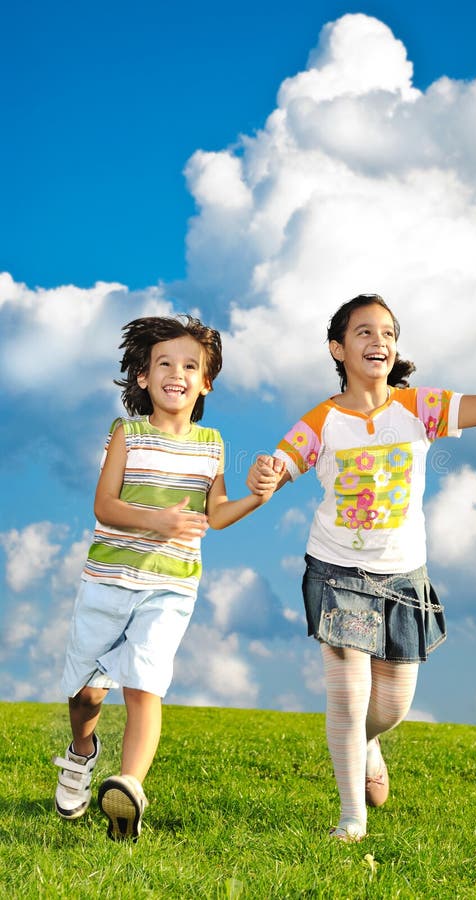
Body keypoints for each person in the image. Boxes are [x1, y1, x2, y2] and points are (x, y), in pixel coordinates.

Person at [247, 293, 476, 842]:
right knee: (348, 696)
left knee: (390, 705)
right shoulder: (322, 421)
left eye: (387, 332)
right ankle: (351, 818)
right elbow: (276, 470)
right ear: (337, 348)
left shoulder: (418, 407)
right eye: (363, 332)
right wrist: (264, 474)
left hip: (404, 577)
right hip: (337, 572)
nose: (378, 341)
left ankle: (365, 742)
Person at [53, 314, 281, 841]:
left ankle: (128, 788)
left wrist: (257, 497)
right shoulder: (127, 434)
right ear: (143, 376)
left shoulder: (212, 443)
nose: (177, 373)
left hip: (171, 587)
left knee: (144, 684)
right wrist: (156, 520)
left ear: (206, 383)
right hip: (108, 580)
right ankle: (82, 752)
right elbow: (104, 505)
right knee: (87, 695)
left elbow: (215, 514)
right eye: (164, 364)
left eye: (190, 366)